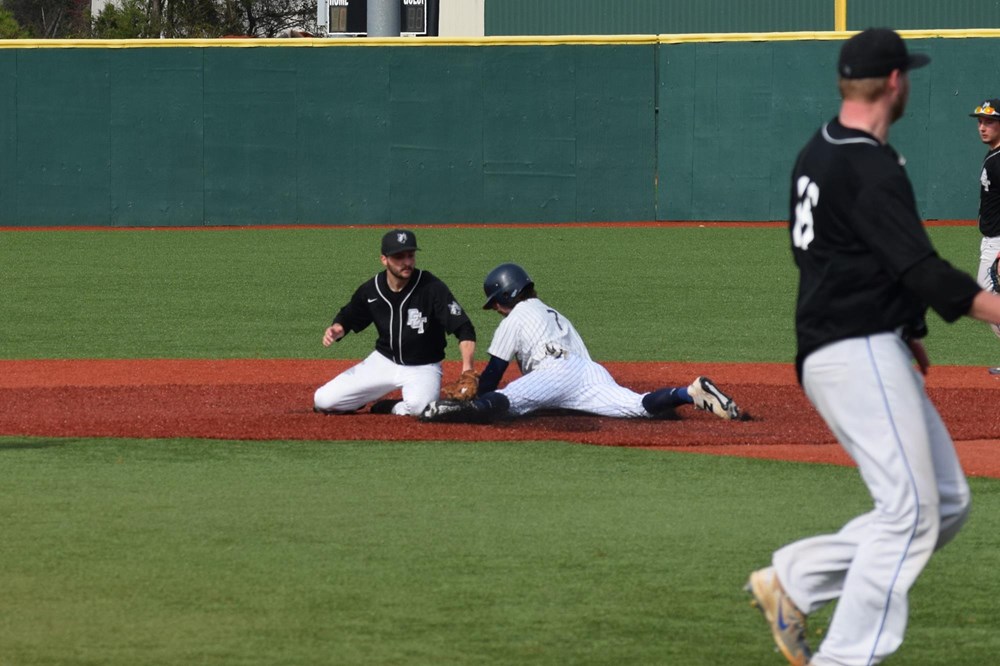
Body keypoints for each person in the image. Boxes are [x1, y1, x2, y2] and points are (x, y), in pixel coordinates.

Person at [746, 28, 1000, 666]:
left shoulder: (820, 151)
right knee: (910, 513)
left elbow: (843, 252)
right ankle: (845, 658)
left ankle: (795, 581)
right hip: (852, 346)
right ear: (895, 82)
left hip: (856, 340)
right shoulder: (868, 164)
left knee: (943, 504)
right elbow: (920, 267)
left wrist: (909, 327)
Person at [419, 262, 742, 423]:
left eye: (497, 304)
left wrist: (470, 400)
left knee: (507, 402)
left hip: (554, 373)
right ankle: (688, 392)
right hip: (589, 372)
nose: (498, 311)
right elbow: (579, 361)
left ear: (507, 295)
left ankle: (443, 413)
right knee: (637, 406)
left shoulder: (516, 316)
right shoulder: (553, 312)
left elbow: (493, 374)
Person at [313, 229, 476, 416]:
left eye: (410, 255)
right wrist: (338, 328)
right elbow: (349, 316)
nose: (407, 262)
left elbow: (464, 328)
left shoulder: (431, 287)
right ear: (384, 259)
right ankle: (358, 399)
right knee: (323, 401)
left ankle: (390, 406)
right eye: (399, 257)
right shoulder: (372, 289)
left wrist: (467, 369)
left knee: (420, 409)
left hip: (423, 367)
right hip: (384, 361)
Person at [969, 98, 1000, 369]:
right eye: (980, 122)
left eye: (989, 122)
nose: (982, 127)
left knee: (987, 298)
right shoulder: (994, 155)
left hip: (998, 242)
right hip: (991, 239)